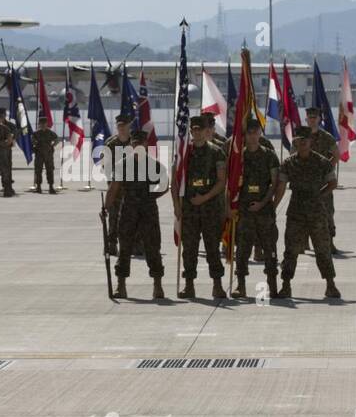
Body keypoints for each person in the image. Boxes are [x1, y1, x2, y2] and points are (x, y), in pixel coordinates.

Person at [272, 125, 339, 298]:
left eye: (305, 141)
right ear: (295, 142)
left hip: (317, 211)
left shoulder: (321, 162)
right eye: (298, 141)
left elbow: (333, 183)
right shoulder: (289, 163)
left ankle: (330, 285)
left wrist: (320, 194)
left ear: (310, 142)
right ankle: (286, 285)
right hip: (296, 210)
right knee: (291, 250)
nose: (302, 144)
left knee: (322, 248)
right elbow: (281, 186)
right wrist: (273, 207)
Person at [104, 128, 167, 299]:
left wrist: (152, 196)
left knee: (152, 247)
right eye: (134, 143)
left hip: (148, 210)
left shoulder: (153, 164)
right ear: (131, 145)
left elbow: (165, 184)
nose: (138, 145)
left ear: (146, 144)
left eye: (141, 143)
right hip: (128, 209)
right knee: (125, 248)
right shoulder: (122, 165)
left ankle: (157, 286)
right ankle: (121, 285)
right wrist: (105, 208)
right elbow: (113, 189)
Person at [173, 115, 227, 299]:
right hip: (189, 210)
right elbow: (175, 182)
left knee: (212, 248)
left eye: (199, 129)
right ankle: (189, 285)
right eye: (193, 130)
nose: (196, 133)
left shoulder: (217, 152)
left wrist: (204, 197)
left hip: (210, 208)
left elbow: (222, 182)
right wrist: (176, 206)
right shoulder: (183, 154)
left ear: (207, 131)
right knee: (189, 249)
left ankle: (217, 285)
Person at [233, 117, 281, 299]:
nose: (253, 136)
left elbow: (274, 183)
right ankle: (241, 285)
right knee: (243, 250)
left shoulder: (269, 155)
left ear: (261, 133)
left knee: (269, 249)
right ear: (245, 135)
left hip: (264, 211)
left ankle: (272, 285)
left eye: (256, 132)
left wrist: (264, 203)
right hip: (244, 211)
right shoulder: (239, 157)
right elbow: (232, 184)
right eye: (250, 133)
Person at [304, 105, 341, 252]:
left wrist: (327, 169)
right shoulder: (301, 137)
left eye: (315, 118)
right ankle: (304, 242)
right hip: (305, 181)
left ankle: (329, 242)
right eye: (310, 118)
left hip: (322, 182)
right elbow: (294, 156)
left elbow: (336, 155)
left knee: (327, 212)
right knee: (303, 213)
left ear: (319, 119)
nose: (312, 120)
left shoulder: (326, 137)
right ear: (306, 119)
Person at [104, 114, 134, 254]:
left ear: (129, 126)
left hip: (132, 187)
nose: (121, 128)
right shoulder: (110, 144)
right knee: (114, 215)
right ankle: (111, 243)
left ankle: (135, 243)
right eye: (119, 126)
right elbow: (106, 167)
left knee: (133, 216)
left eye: (124, 126)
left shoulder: (135, 142)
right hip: (115, 187)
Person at [31, 116, 60, 194]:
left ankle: (51, 186)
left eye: (44, 123)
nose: (43, 125)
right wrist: (35, 145)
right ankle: (39, 187)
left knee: (50, 170)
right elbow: (32, 141)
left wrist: (52, 146)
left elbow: (57, 139)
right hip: (39, 155)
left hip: (48, 155)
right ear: (39, 124)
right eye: (41, 123)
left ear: (47, 124)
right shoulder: (36, 133)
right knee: (38, 171)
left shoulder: (50, 132)